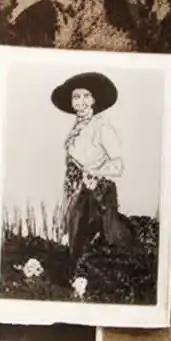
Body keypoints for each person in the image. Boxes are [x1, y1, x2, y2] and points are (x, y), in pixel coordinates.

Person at [54, 71, 135, 265]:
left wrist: (94, 173)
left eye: (85, 96)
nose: (80, 101)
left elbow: (118, 165)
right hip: (79, 190)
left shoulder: (102, 127)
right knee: (75, 241)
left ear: (93, 100)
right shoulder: (77, 128)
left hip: (99, 192)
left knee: (106, 242)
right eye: (76, 96)